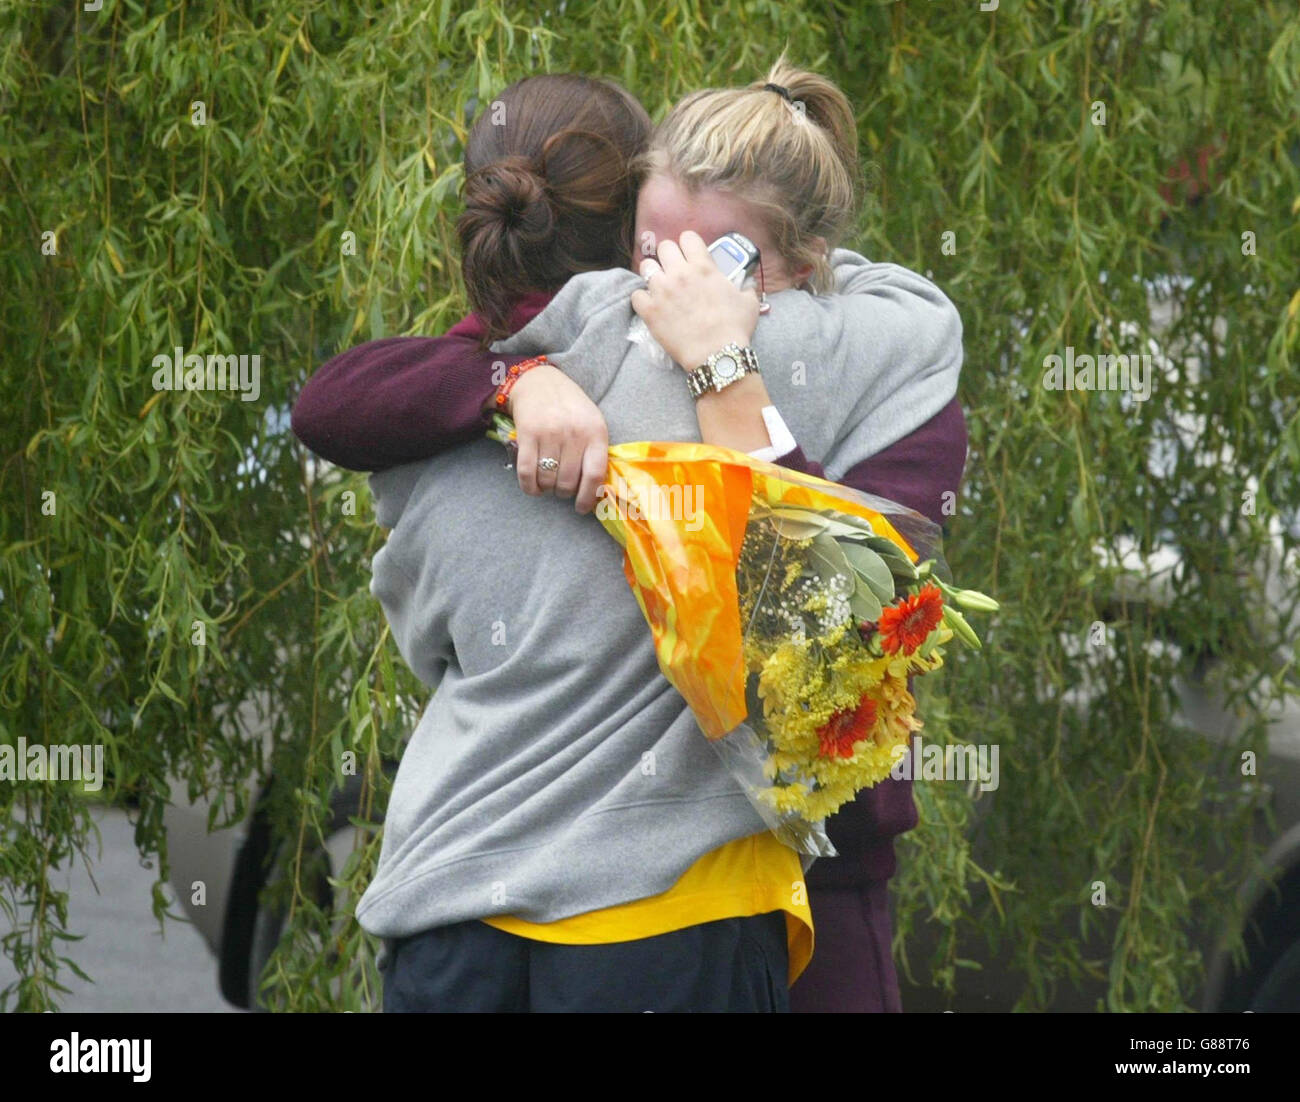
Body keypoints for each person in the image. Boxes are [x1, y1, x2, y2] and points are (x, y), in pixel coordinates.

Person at [293, 61, 967, 1013]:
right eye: (653, 259)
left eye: (727, 265)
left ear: (810, 262)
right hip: (659, 903)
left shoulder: (862, 347)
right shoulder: (571, 344)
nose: (680, 294)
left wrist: (729, 371)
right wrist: (513, 383)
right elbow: (337, 399)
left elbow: (841, 624)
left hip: (805, 868)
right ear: (617, 248)